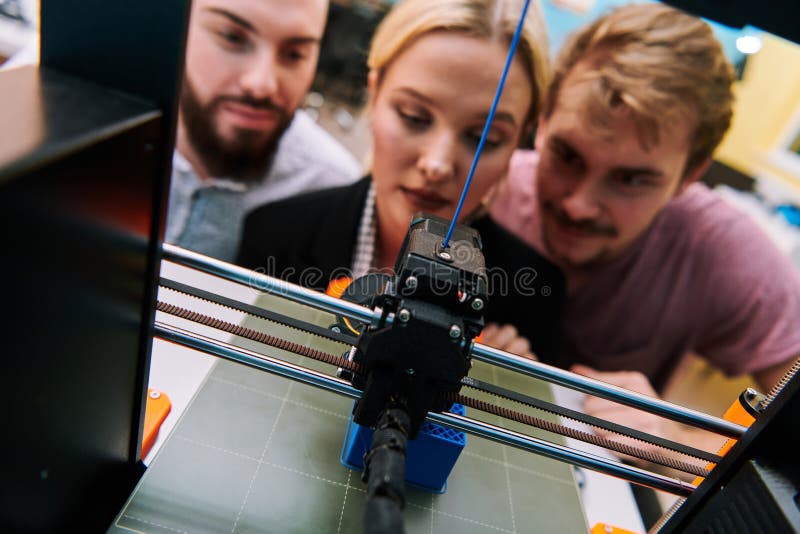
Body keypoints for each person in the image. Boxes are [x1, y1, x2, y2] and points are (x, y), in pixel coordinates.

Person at [490, 3, 800, 452]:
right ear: (542, 122)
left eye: (631, 179)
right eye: (567, 156)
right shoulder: (485, 190)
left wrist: (674, 443)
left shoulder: (723, 252)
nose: (578, 206)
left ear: (689, 175)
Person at [238, 0, 563, 359]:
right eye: (414, 116)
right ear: (374, 95)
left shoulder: (536, 297)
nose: (436, 165)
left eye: (484, 138)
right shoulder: (270, 237)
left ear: (520, 141)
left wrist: (514, 391)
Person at [167, 0, 362, 262]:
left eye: (294, 54)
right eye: (232, 37)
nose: (261, 85)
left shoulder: (332, 199)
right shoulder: (104, 137)